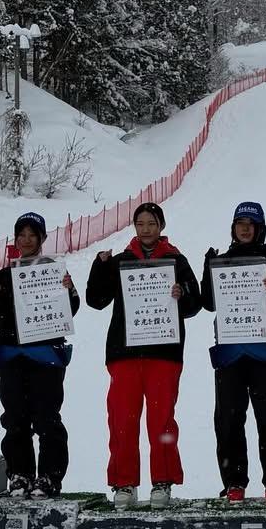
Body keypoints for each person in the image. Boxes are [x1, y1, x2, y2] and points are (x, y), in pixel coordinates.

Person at [86, 202, 200, 509]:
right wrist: (100, 265)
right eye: (141, 224)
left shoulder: (176, 260)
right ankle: (124, 483)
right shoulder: (121, 261)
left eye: (152, 223)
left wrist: (182, 294)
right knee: (122, 419)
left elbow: (194, 304)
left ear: (161, 226)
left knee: (161, 420)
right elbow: (96, 300)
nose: (146, 229)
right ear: (134, 228)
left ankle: (162, 481)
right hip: (124, 353)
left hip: (164, 353)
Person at [201, 201, 266, 502]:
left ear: (259, 228)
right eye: (240, 223)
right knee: (228, 420)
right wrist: (208, 268)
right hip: (230, 354)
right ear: (233, 227)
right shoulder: (223, 260)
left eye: (250, 224)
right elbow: (209, 302)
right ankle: (234, 482)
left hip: (264, 353)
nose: (244, 228)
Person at [0, 213, 79, 498]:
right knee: (14, 419)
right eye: (21, 235)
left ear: (42, 239)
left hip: (46, 355)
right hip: (12, 355)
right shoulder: (4, 274)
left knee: (47, 417)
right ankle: (20, 474)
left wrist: (68, 290)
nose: (26, 240)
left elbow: (71, 309)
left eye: (32, 235)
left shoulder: (52, 270)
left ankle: (49, 477)